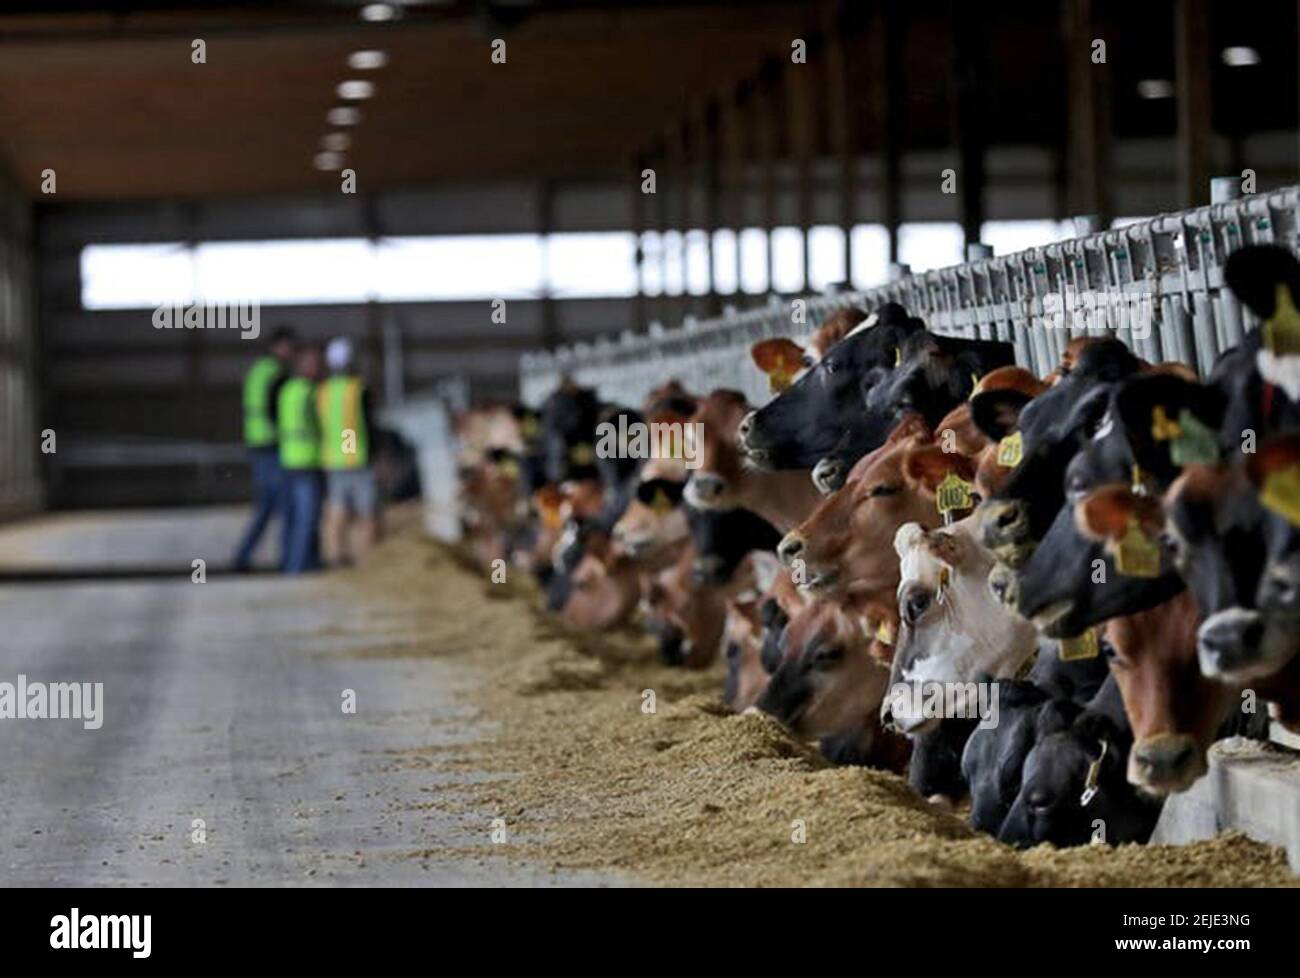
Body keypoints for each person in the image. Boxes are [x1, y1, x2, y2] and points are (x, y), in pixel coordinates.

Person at [231, 326, 295, 572]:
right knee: (285, 506)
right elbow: (276, 412)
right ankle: (290, 560)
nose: (290, 352)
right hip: (274, 445)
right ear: (278, 346)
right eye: (288, 346)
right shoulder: (277, 374)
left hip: (257, 444)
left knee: (266, 507)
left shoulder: (257, 371)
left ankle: (242, 556)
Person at [318, 337, 380, 567]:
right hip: (355, 458)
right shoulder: (357, 390)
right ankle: (369, 558)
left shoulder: (323, 391)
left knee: (337, 509)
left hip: (332, 458)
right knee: (366, 510)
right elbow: (362, 425)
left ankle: (336, 556)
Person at [278, 342, 326, 574]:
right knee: (308, 519)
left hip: (289, 460)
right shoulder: (312, 393)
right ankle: (298, 568)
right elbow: (337, 427)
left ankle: (294, 564)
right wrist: (348, 454)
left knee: (294, 518)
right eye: (316, 365)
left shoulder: (287, 391)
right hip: (310, 461)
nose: (320, 369)